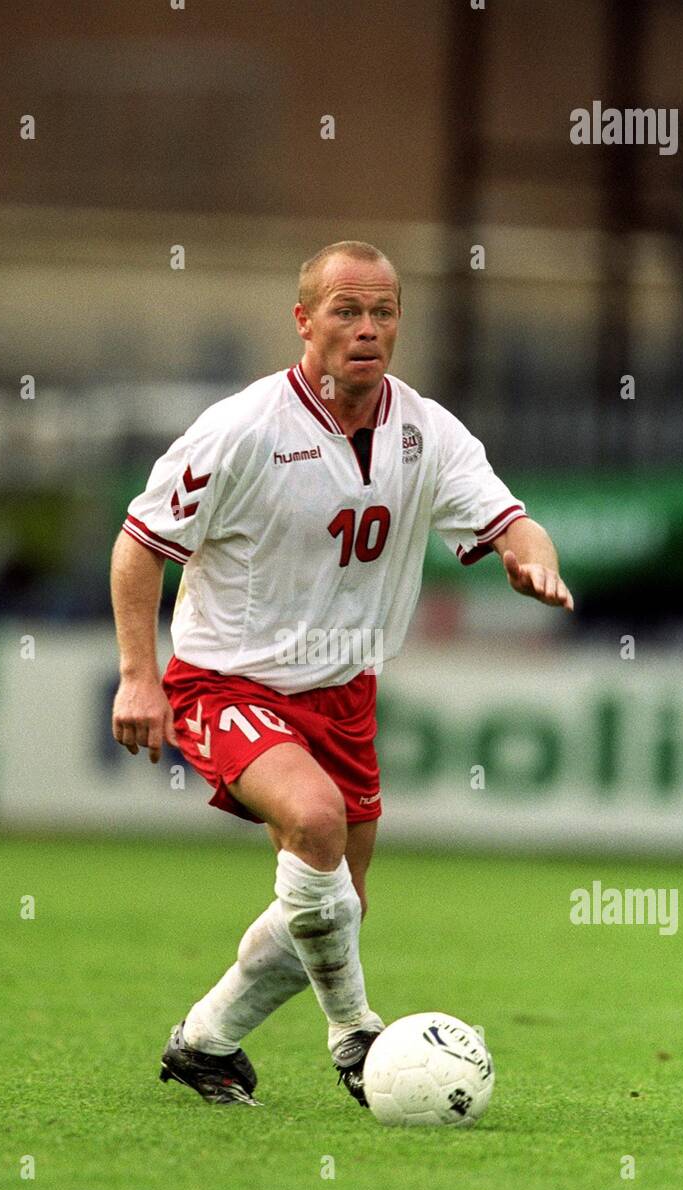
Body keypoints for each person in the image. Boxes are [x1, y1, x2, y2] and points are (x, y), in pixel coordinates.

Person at [110, 240, 573, 1108]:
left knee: (334, 908)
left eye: (384, 312)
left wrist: (529, 559)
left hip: (346, 695)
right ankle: (357, 1034)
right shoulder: (242, 428)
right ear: (304, 321)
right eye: (346, 311)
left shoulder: (424, 431)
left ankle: (205, 1042)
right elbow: (139, 546)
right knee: (314, 822)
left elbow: (515, 520)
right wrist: (140, 677)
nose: (368, 329)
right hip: (228, 684)